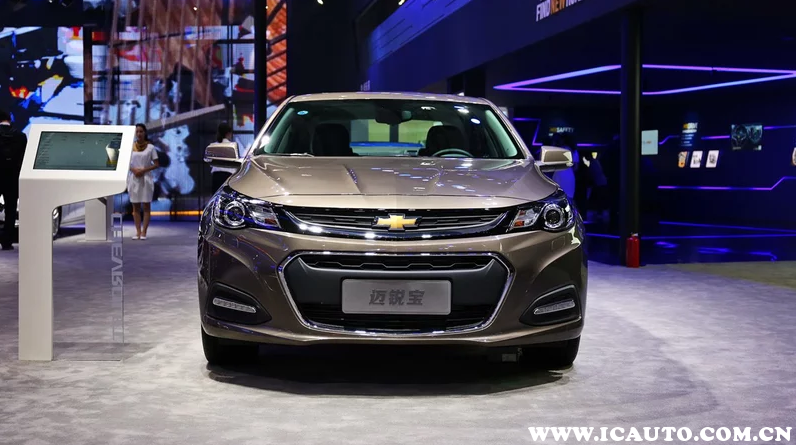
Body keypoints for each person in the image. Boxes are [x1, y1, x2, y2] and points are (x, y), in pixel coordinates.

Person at [127, 124, 160, 240]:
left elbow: (156, 164)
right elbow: (126, 163)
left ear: (145, 132)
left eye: (141, 131)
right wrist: (134, 170)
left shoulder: (151, 147)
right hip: (134, 178)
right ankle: (137, 232)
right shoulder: (130, 147)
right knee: (135, 206)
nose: (139, 134)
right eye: (137, 132)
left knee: (146, 205)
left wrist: (143, 170)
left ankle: (144, 232)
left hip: (146, 178)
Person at [0, 110, 26, 250]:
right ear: (9, 119)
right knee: (10, 210)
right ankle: (7, 242)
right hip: (13, 177)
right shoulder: (21, 136)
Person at [211, 122, 239, 192]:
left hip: (216, 176)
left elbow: (210, 162)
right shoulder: (232, 146)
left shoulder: (213, 145)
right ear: (228, 133)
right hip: (228, 176)